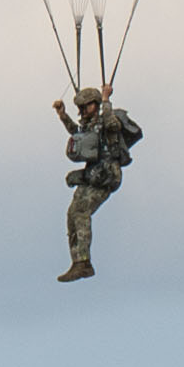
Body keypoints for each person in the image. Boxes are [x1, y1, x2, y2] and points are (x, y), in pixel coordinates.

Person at [56, 83, 142, 281]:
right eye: (81, 107)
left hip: (106, 175)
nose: (83, 110)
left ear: (95, 105)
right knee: (72, 213)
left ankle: (84, 262)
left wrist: (106, 99)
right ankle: (77, 262)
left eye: (86, 106)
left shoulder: (106, 121)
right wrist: (63, 115)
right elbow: (77, 133)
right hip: (93, 173)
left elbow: (112, 125)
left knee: (81, 212)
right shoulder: (90, 126)